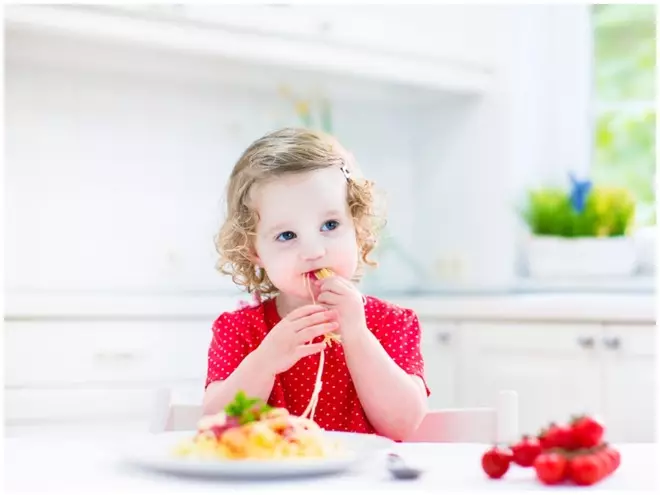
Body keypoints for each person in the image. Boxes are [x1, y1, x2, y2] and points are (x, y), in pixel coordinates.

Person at [204, 127, 429, 441]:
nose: (313, 252)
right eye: (287, 235)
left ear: (358, 228)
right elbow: (215, 426)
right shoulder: (239, 330)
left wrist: (357, 335)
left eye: (330, 225)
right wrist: (264, 362)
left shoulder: (391, 323)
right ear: (254, 250)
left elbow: (403, 424)